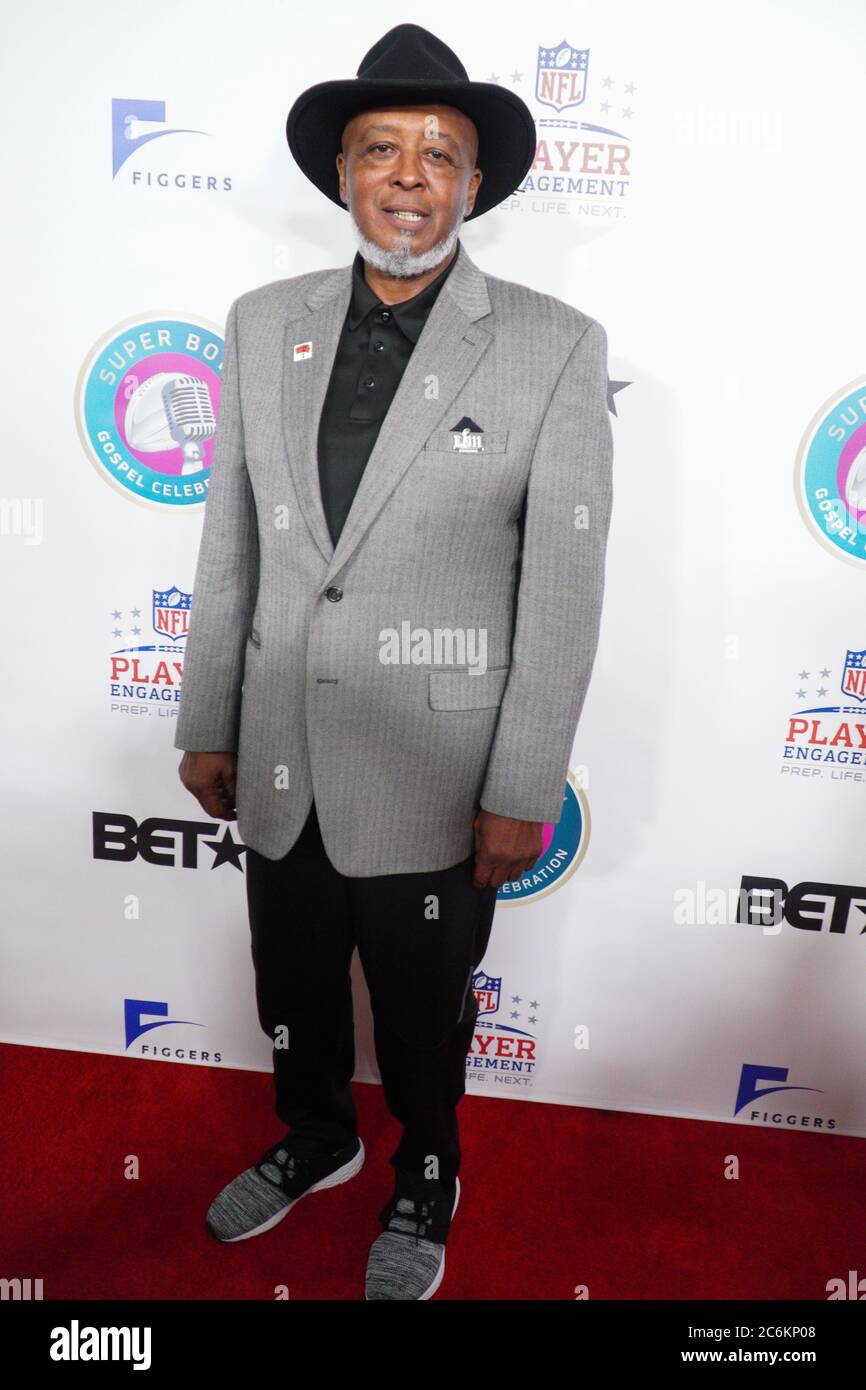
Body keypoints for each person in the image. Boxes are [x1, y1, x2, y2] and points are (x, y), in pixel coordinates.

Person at [174, 22, 614, 1300]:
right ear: (342, 175)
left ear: (475, 186)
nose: (408, 175)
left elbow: (565, 591)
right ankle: (315, 1136)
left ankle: (427, 1164)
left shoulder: (554, 344)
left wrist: (519, 785)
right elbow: (229, 549)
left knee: (422, 1006)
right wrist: (210, 714)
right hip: (276, 752)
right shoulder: (262, 326)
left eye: (439, 153)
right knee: (293, 975)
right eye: (381, 150)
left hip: (435, 767)